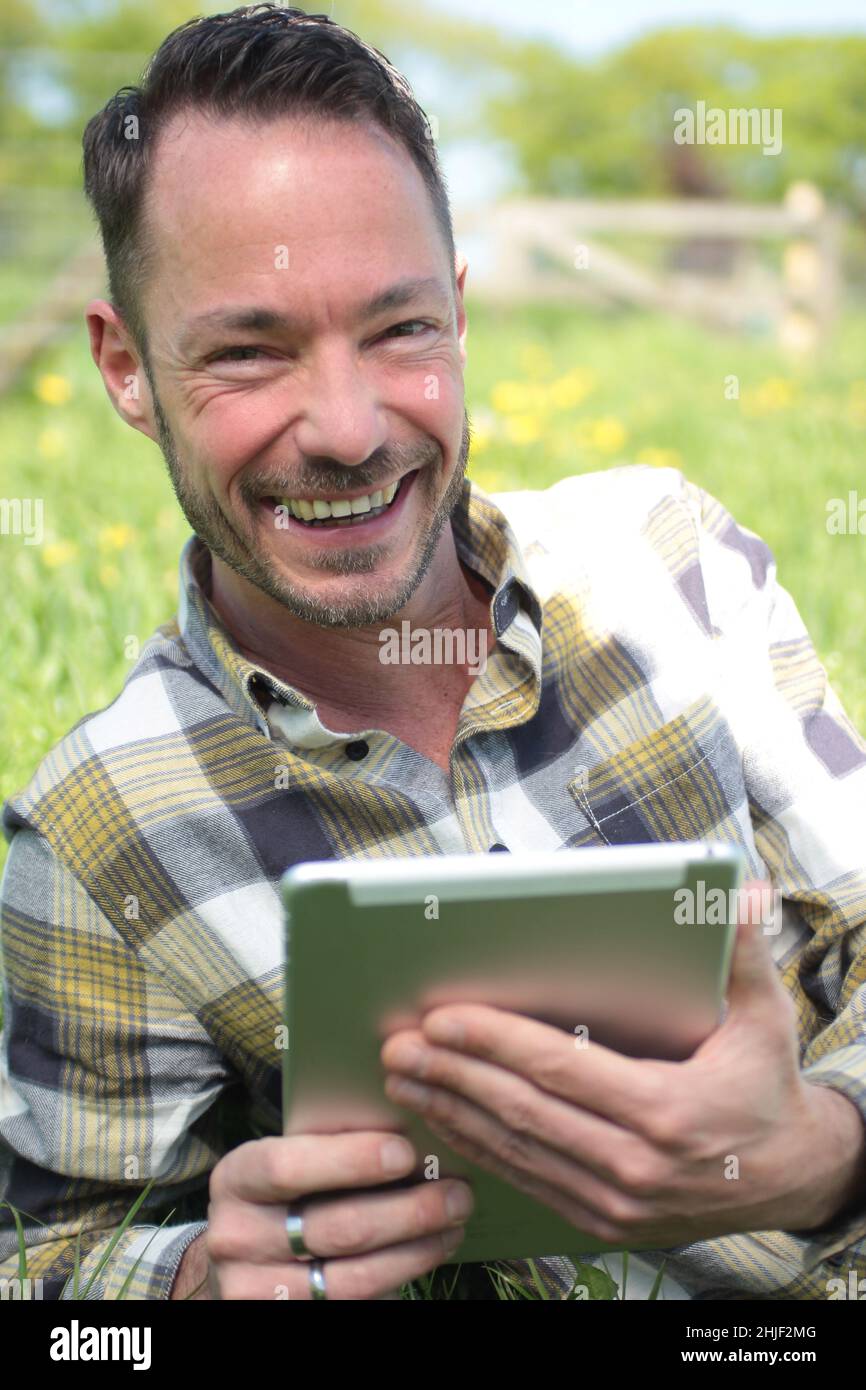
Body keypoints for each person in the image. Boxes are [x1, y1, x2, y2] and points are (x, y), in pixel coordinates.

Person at [1, 4, 865, 1303]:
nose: (347, 429)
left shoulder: (672, 562)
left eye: (400, 330)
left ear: (458, 317)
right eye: (249, 351)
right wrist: (190, 1281)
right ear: (125, 368)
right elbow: (55, 1261)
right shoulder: (92, 832)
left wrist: (820, 1150)